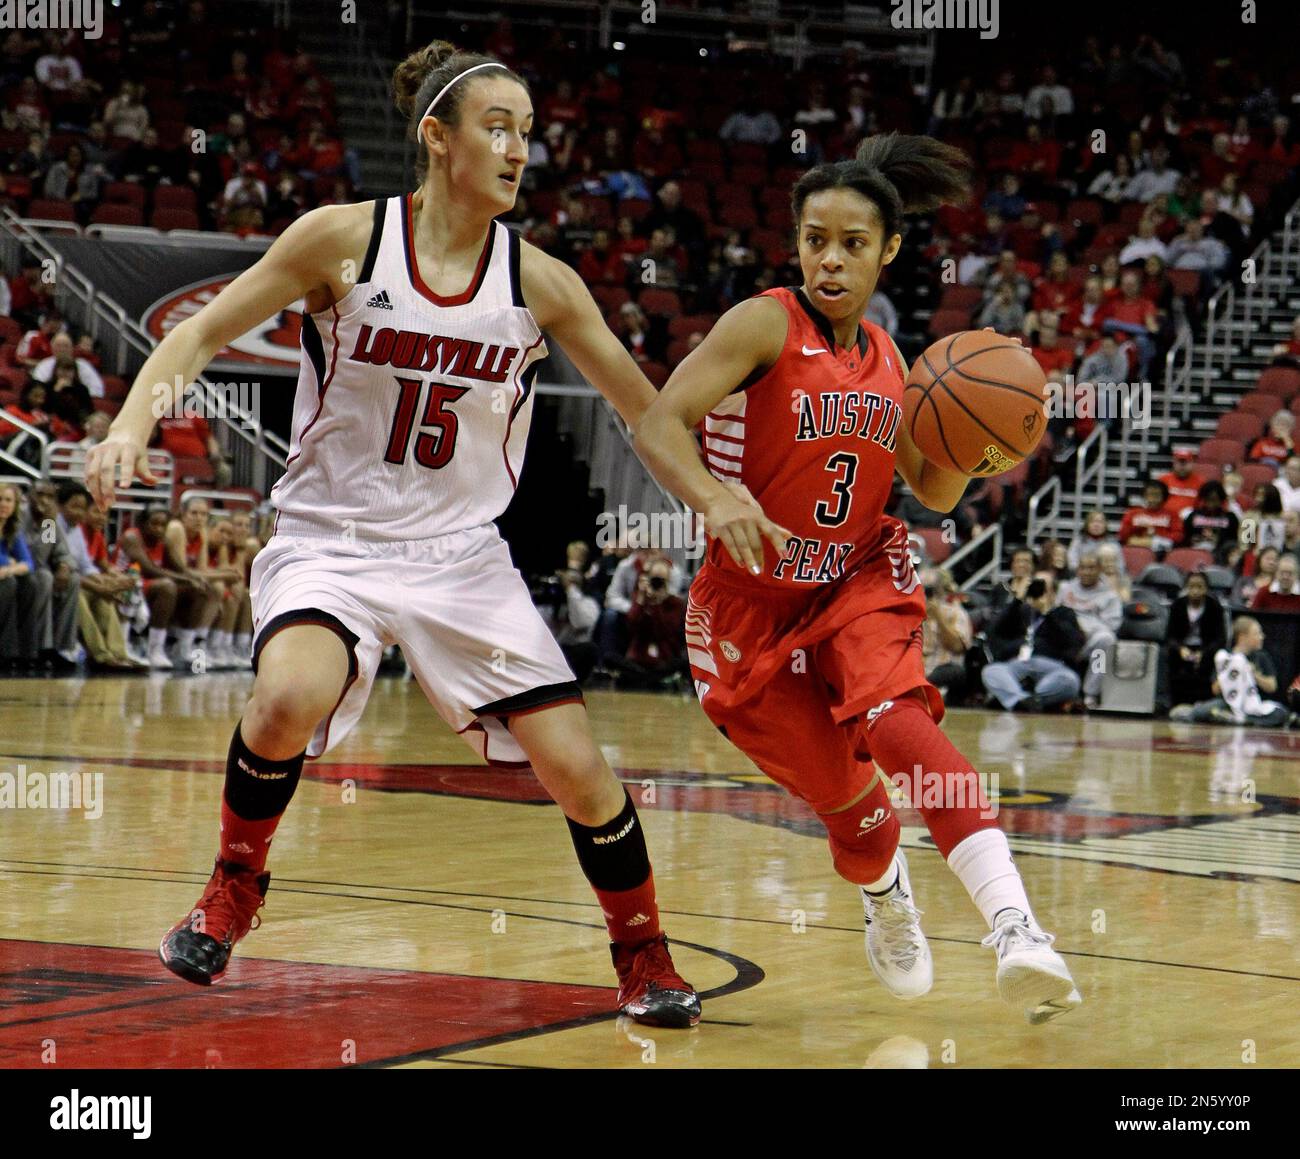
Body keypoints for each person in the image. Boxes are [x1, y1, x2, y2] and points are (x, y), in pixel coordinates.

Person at [86, 40, 699, 1028]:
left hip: (461, 557)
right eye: (496, 128)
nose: (516, 151)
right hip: (332, 537)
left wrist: (720, 499)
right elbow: (195, 333)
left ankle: (645, 957)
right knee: (287, 697)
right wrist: (129, 424)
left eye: (527, 135)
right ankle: (233, 886)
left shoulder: (542, 282)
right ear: (436, 137)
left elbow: (646, 412)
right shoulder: (340, 239)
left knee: (581, 771)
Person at [633, 133, 1081, 1023]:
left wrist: (984, 437)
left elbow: (936, 485)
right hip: (748, 605)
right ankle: (886, 894)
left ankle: (1017, 927)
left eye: (852, 243)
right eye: (814, 239)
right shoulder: (763, 323)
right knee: (857, 811)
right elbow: (657, 423)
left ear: (890, 251)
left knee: (900, 721)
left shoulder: (890, 355)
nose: (830, 259)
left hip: (855, 580)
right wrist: (716, 498)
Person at [982, 574, 1085, 712]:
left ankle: (1021, 699)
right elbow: (995, 630)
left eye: (1043, 587)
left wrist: (1047, 612)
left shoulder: (1064, 613)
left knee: (1070, 680)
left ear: (1053, 593)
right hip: (1018, 664)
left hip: (1053, 667)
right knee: (991, 671)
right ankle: (1023, 700)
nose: (1039, 590)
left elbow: (1071, 641)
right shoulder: (1019, 610)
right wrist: (1017, 600)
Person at [1170, 617, 1290, 727]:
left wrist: (1253, 674)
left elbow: (1272, 687)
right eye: (1257, 633)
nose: (1261, 636)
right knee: (1205, 710)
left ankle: (1238, 720)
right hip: (1227, 703)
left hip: (1254, 704)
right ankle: (1202, 712)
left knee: (1281, 712)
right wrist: (1231, 671)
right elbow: (1214, 689)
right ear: (1243, 637)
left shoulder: (1261, 656)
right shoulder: (1224, 658)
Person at [1055, 553, 1122, 709]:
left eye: (1091, 568)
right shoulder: (1066, 588)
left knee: (1106, 640)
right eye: (1083, 568)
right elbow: (1055, 614)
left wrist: (1086, 630)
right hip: (1065, 638)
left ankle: (1090, 694)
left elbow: (1112, 625)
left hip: (1090, 642)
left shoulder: (1109, 595)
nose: (1086, 572)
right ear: (1077, 570)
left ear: (1100, 570)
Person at [1166, 572, 1226, 707]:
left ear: (1206, 589)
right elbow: (1170, 636)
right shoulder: (1178, 605)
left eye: (1200, 587)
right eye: (1192, 587)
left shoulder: (1215, 607)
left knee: (1212, 660)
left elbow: (1220, 638)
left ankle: (1203, 703)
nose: (1195, 591)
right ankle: (1175, 702)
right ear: (1186, 587)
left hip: (1206, 648)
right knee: (1170, 655)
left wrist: (1204, 653)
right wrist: (1180, 649)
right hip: (1183, 647)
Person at [0, 482, 40, 672]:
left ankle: (30, 652)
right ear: (29, 498)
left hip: (32, 569)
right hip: (18, 570)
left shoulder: (50, 522)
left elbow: (45, 554)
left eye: (49, 497)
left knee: (37, 580)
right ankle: (11, 651)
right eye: (39, 495)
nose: (44, 501)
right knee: (32, 580)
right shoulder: (24, 518)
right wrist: (11, 563)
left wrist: (48, 522)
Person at [1181, 480, 1239, 563]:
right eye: (1207, 500)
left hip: (1220, 554)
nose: (1211, 504)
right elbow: (1184, 537)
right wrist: (1192, 540)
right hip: (1195, 551)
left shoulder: (1230, 517)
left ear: (1221, 500)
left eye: (1214, 500)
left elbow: (1233, 541)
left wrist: (1218, 540)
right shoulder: (1193, 515)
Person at [1119, 479, 1181, 552]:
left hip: (1162, 552)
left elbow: (1178, 536)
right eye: (1149, 495)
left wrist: (1157, 536)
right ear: (1144, 496)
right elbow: (1122, 536)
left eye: (1157, 495)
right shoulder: (1132, 513)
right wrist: (1136, 527)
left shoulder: (1172, 514)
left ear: (1164, 497)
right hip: (1136, 551)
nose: (1152, 499)